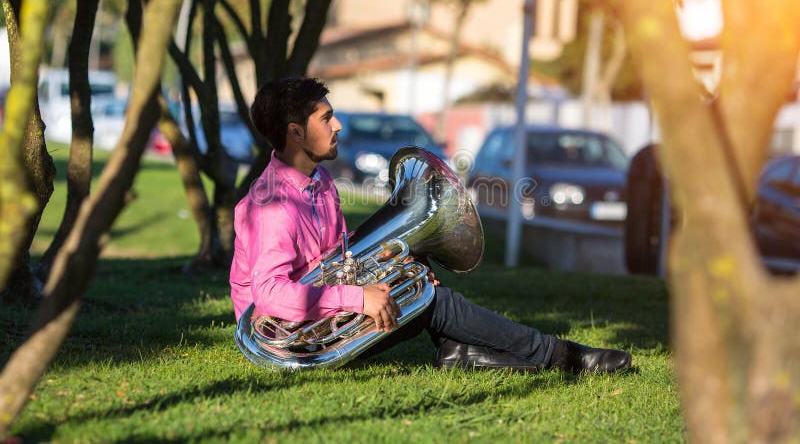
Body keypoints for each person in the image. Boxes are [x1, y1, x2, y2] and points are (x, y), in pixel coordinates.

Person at [229, 77, 632, 373]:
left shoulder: (320, 181)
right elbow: (268, 294)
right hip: (288, 340)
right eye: (327, 118)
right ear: (296, 133)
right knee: (436, 304)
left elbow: (338, 257)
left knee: (421, 294)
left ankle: (464, 354)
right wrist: (359, 300)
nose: (338, 127)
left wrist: (404, 263)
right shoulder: (270, 206)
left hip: (316, 317)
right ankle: (562, 356)